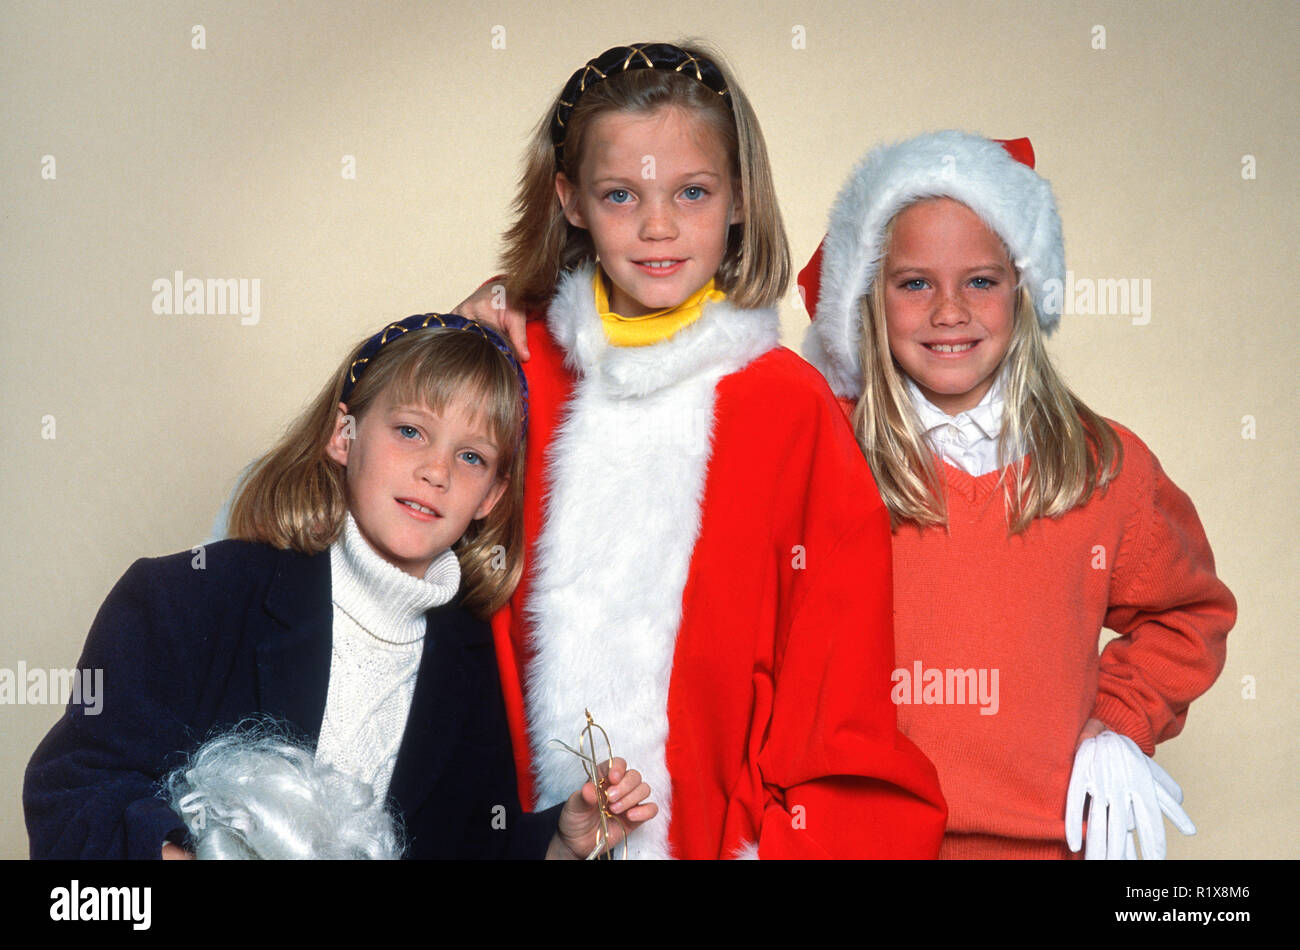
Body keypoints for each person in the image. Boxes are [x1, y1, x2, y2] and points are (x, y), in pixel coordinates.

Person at [453, 41, 947, 858]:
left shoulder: (791, 405)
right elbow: (396, 531)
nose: (658, 226)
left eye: (692, 192)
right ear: (570, 201)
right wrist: (453, 347)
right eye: (621, 195)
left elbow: (835, 671)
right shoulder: (516, 367)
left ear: (741, 198)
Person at [25, 314, 656, 859]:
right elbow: (72, 795)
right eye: (410, 431)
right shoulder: (188, 597)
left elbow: (467, 847)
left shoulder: (475, 665)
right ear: (343, 436)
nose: (435, 470)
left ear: (490, 497)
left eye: (471, 457)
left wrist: (558, 843)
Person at [799, 130, 1236, 859]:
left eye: (980, 280)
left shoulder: (1104, 466)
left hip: (1043, 844)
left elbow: (1190, 612)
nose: (948, 311)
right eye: (913, 283)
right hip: (855, 843)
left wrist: (1122, 718)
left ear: (1025, 290)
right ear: (866, 300)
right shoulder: (823, 452)